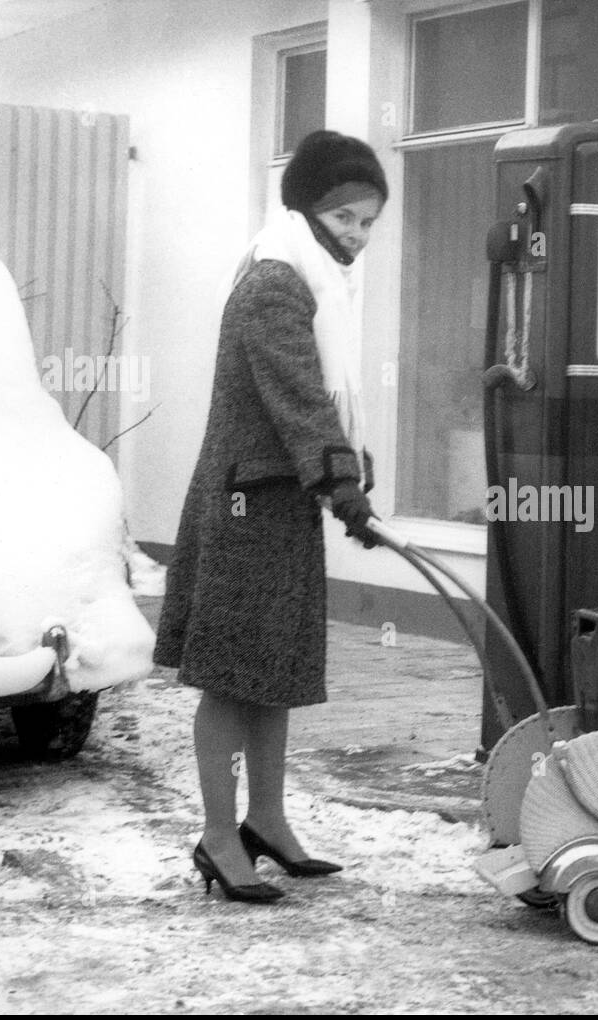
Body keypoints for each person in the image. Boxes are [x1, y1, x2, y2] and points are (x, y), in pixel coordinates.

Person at [153, 130, 386, 903]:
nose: (354, 234)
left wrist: (346, 474)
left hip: (279, 504)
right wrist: (341, 481)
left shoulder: (312, 282)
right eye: (345, 215)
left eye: (367, 222)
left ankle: (268, 822)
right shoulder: (275, 285)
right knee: (230, 678)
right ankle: (220, 836)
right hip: (246, 504)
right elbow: (296, 397)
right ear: (307, 207)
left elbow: (321, 403)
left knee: (273, 673)